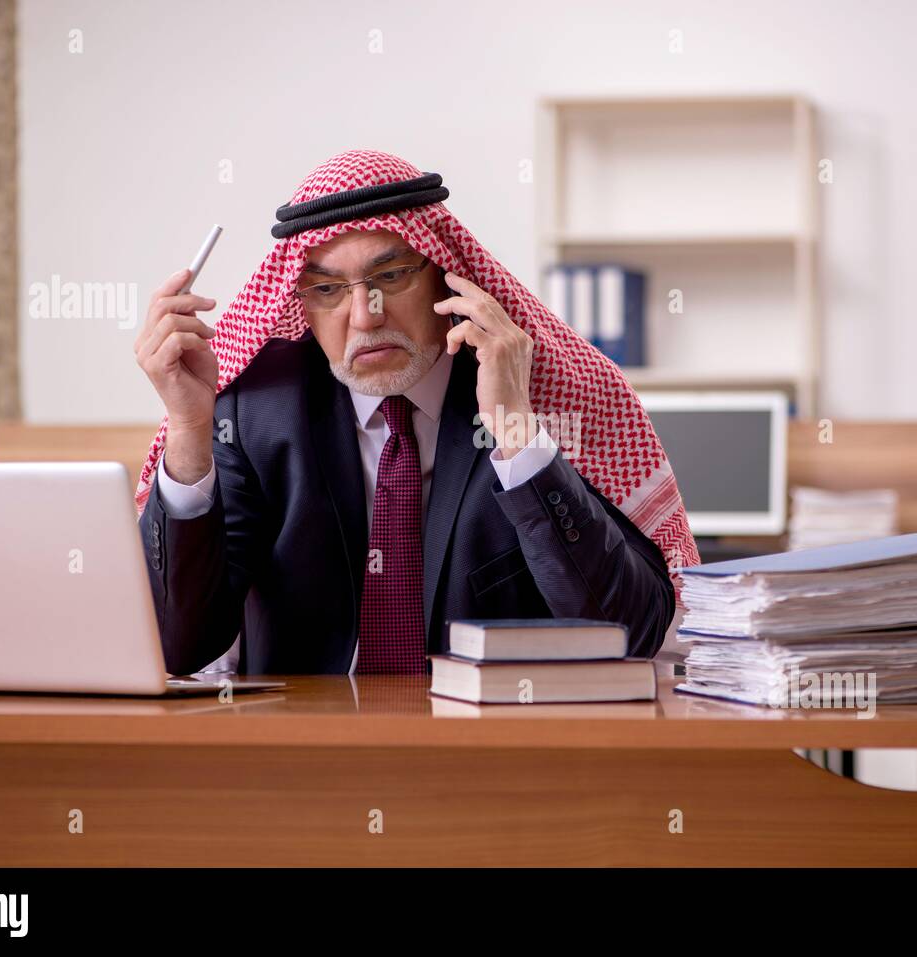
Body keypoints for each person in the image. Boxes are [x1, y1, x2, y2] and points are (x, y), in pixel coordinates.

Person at [133, 149, 698, 676]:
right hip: (307, 763)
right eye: (328, 289)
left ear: (446, 274)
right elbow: (180, 646)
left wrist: (518, 435)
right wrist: (188, 429)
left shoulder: (548, 395)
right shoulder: (253, 411)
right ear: (298, 304)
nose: (364, 316)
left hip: (499, 760)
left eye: (390, 276)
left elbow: (630, 636)